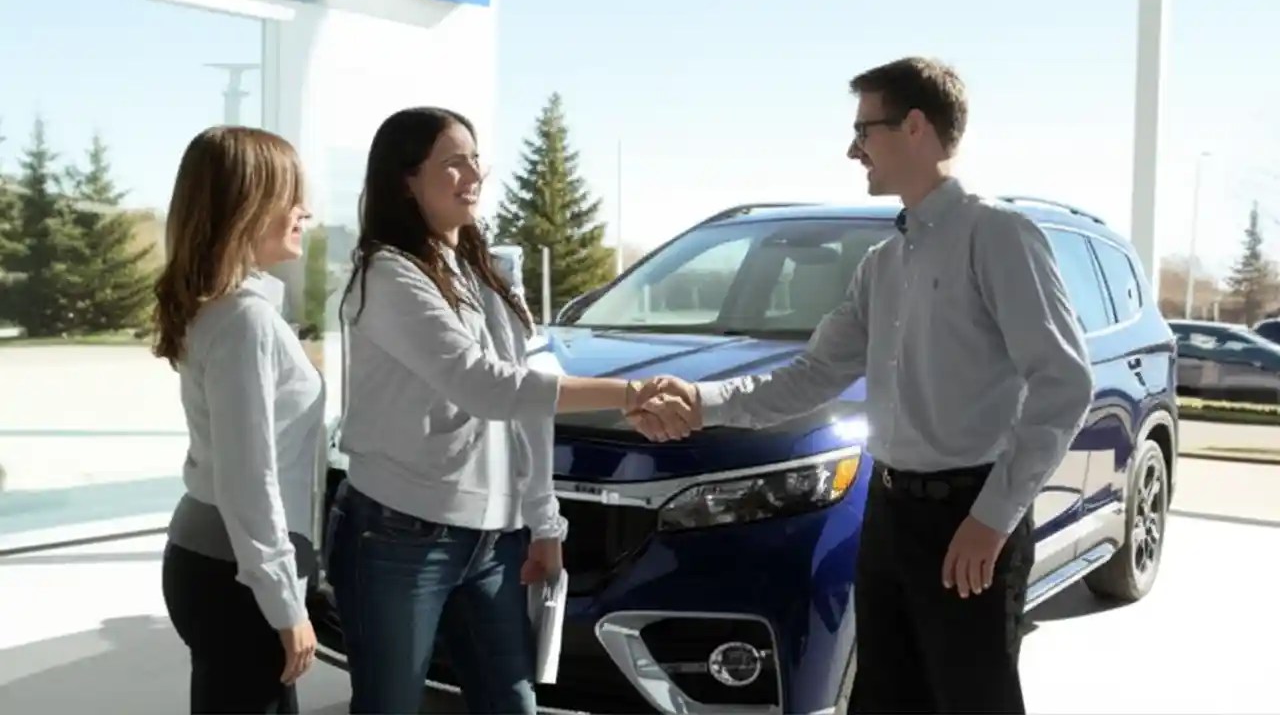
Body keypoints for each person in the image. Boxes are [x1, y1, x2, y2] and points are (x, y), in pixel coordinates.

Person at [629, 57, 1095, 713]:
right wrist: (701, 401)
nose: (853, 150)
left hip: (968, 516)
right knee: (882, 699)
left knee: (971, 699)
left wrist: (992, 519)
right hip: (889, 512)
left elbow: (1063, 383)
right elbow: (813, 375)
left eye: (863, 130)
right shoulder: (883, 264)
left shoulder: (997, 236)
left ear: (914, 127)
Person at [322, 106, 694, 715]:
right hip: (398, 535)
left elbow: (530, 394)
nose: (473, 173)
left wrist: (543, 523)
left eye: (474, 158)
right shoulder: (385, 275)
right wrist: (629, 394)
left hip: (493, 542)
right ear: (405, 180)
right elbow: (488, 387)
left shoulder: (481, 272)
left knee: (511, 703)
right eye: (452, 162)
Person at [153, 125, 322, 714]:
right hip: (236, 576)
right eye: (290, 195)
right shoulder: (242, 322)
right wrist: (285, 606)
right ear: (246, 206)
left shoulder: (228, 312)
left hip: (223, 565)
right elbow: (250, 480)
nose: (305, 211)